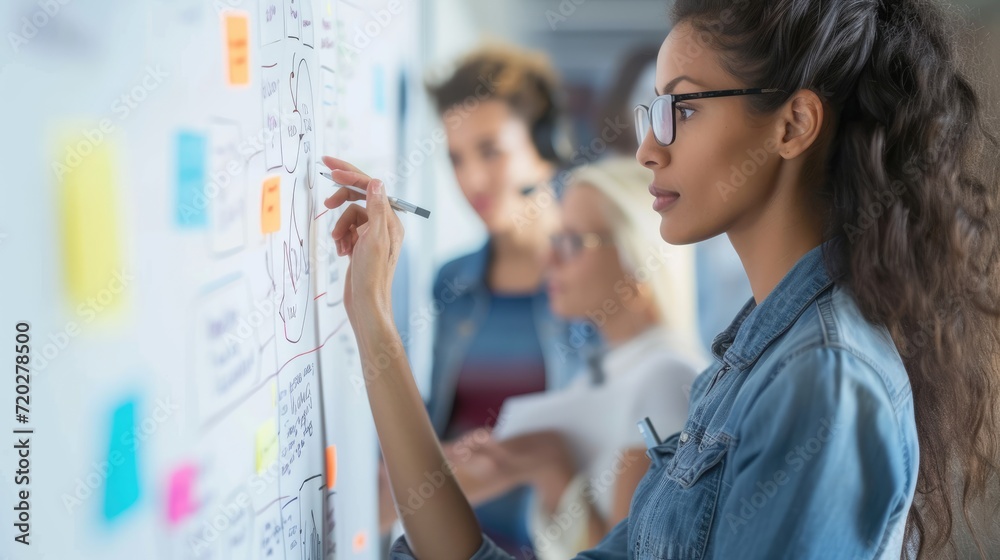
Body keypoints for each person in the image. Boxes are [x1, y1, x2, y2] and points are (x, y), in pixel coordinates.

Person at [324, 0, 1000, 557]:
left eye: (685, 108)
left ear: (793, 125)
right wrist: (372, 319)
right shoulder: (744, 369)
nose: (649, 147)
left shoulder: (821, 378)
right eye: (655, 111)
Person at [377, 158, 707, 557]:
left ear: (638, 258)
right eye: (556, 240)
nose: (549, 261)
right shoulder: (608, 370)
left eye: (573, 242)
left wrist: (551, 469)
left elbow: (634, 553)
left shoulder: (667, 377)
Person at [389, 43, 588, 557]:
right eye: (456, 158)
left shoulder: (596, 281)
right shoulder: (453, 282)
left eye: (490, 151)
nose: (471, 180)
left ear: (545, 144)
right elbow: (439, 424)